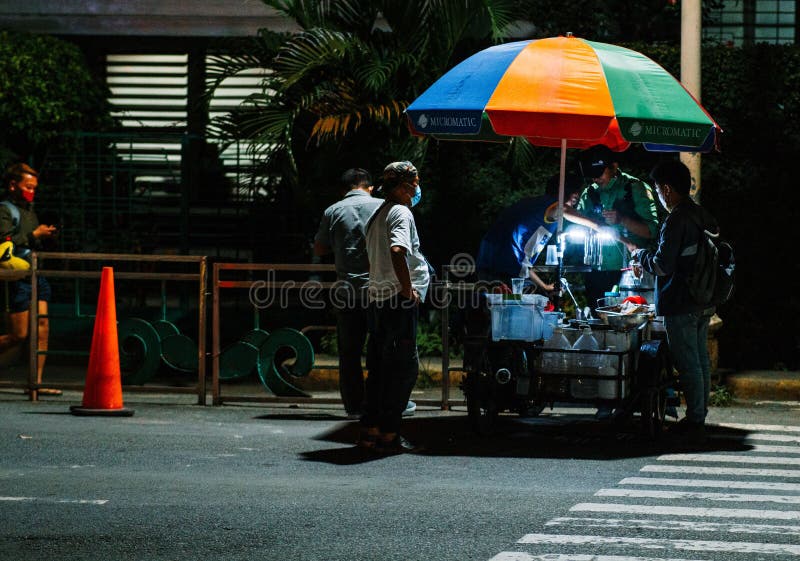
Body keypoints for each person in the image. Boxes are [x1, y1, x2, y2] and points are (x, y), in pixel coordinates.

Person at [623, 160, 717, 445]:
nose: (659, 195)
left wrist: (639, 256)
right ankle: (699, 414)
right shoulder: (701, 214)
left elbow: (663, 265)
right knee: (699, 360)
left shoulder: (677, 219)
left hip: (682, 301)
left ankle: (696, 421)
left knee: (688, 362)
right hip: (704, 298)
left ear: (666, 189)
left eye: (657, 189)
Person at [314, 168, 415, 419]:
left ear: (345, 189)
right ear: (369, 186)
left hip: (347, 290)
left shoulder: (333, 210)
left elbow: (319, 247)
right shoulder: (385, 207)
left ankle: (353, 405)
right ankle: (384, 401)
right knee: (382, 348)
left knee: (349, 351)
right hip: (380, 289)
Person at [359, 161, 429, 454]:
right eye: (413, 183)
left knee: (379, 369)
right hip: (397, 302)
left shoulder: (378, 214)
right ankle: (389, 432)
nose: (416, 188)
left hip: (379, 299)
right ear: (401, 187)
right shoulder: (401, 212)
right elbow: (398, 251)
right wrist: (406, 288)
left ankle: (370, 431)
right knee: (403, 370)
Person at [476, 173, 602, 294]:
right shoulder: (550, 207)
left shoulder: (533, 205)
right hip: (502, 272)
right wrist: (599, 226)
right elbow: (562, 208)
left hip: (489, 264)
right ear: (571, 194)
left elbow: (523, 262)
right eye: (576, 193)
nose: (577, 197)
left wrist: (545, 287)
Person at [0, 163, 59, 395]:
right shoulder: (5, 211)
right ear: (13, 185)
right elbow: (5, 241)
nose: (31, 191)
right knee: (19, 334)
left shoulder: (29, 211)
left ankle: (36, 383)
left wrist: (44, 236)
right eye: (28, 186)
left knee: (42, 327)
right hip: (18, 276)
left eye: (34, 187)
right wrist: (34, 234)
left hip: (36, 274)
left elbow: (29, 240)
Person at [577, 145, 659, 311]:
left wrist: (622, 219)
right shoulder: (590, 192)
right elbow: (575, 222)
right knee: (596, 320)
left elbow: (652, 231)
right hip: (596, 272)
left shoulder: (635, 188)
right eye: (591, 176)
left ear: (614, 167)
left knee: (630, 321)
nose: (595, 180)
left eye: (599, 174)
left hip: (631, 274)